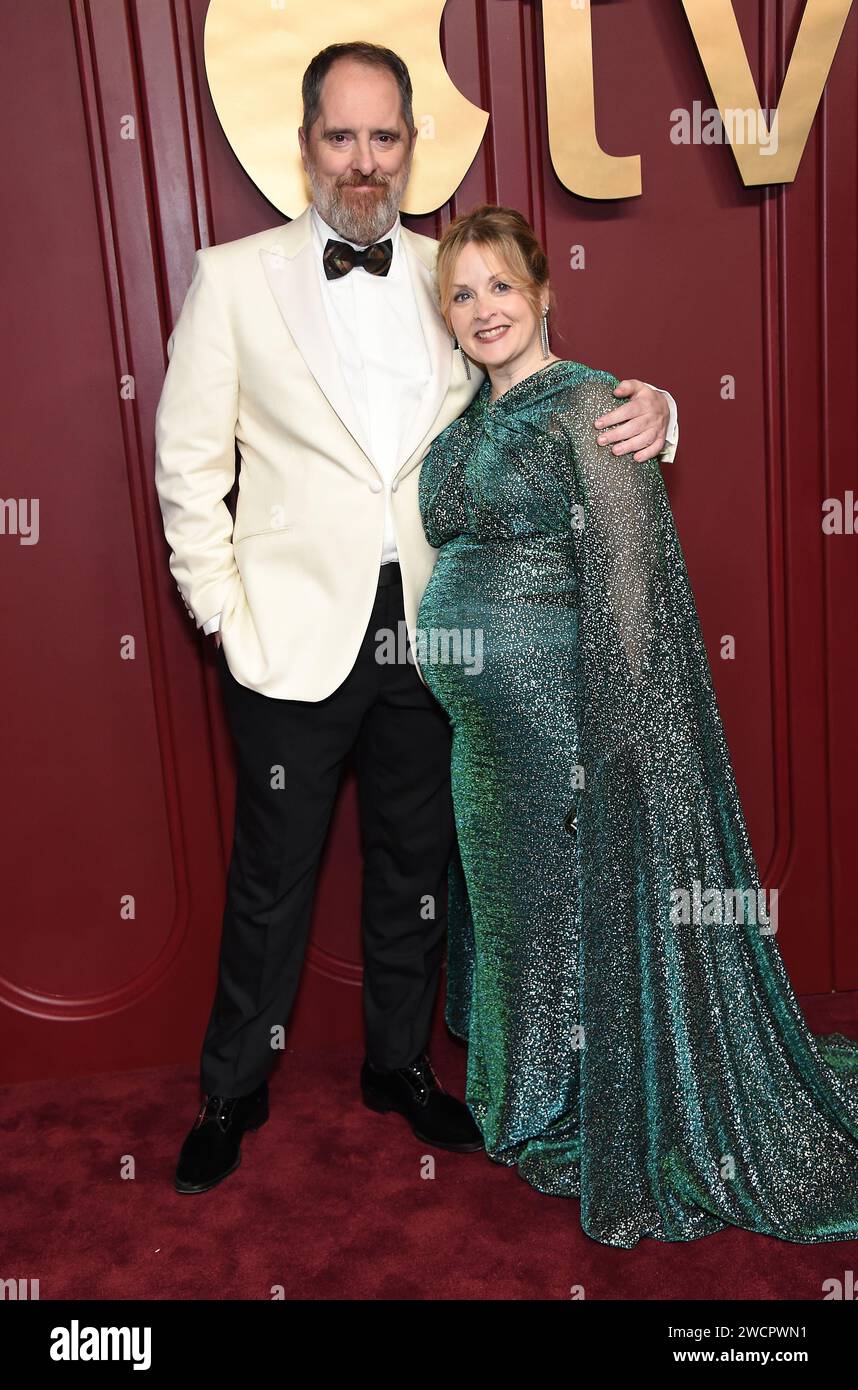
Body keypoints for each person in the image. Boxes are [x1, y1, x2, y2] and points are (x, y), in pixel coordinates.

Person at [154, 42, 678, 1196]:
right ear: (306, 145)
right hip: (291, 635)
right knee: (272, 876)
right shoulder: (233, 277)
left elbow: (534, 383)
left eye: (383, 136)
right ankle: (233, 1089)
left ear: (408, 146)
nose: (363, 158)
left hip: (438, 632)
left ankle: (398, 1065)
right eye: (340, 136)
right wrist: (222, 615)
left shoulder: (455, 272)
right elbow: (188, 463)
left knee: (417, 859)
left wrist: (659, 406)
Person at [416, 202, 858, 1248]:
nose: (484, 310)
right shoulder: (465, 424)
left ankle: (585, 1106)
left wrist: (612, 755)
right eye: (463, 293)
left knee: (580, 917)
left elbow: (625, 597)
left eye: (501, 286)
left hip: (568, 742)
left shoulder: (595, 409)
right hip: (485, 749)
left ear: (544, 291)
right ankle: (533, 1095)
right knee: (527, 917)